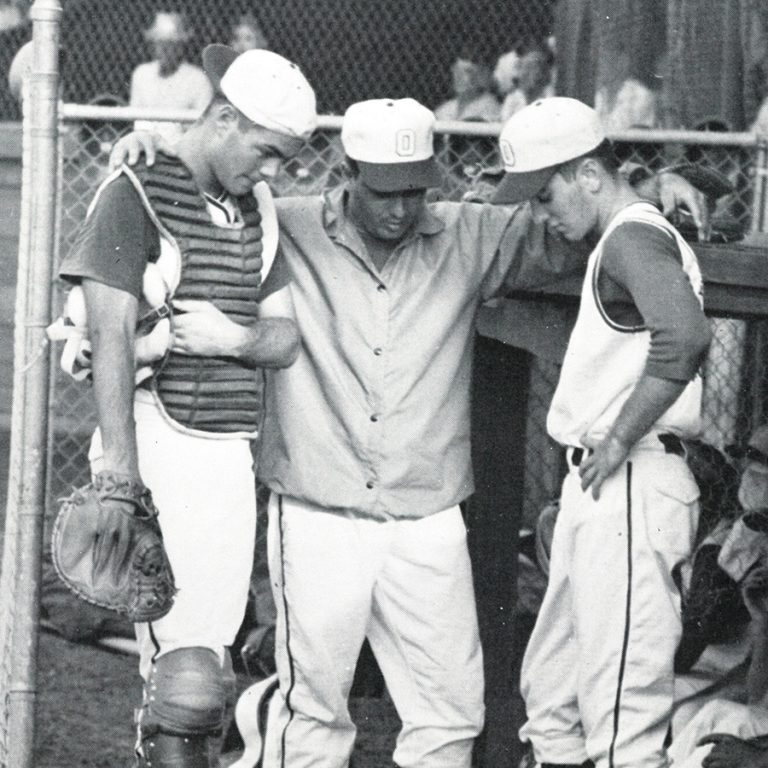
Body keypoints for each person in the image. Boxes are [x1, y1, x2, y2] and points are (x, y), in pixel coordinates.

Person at [110, 95, 707, 768]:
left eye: (416, 191)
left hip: (428, 515)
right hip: (317, 505)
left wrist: (653, 187)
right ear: (348, 172)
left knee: (453, 712)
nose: (401, 209)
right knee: (312, 713)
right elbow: (205, 190)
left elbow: (582, 217)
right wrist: (150, 147)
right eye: (385, 192)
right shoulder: (293, 225)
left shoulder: (467, 232)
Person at [56, 43, 316, 768]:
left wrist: (233, 337)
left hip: (227, 448)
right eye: (266, 152)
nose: (271, 173)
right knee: (187, 682)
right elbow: (108, 336)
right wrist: (119, 479)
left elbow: (285, 338)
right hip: (154, 436)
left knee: (210, 670)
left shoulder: (252, 208)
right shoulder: (136, 187)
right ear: (226, 118)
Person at [493, 97, 712, 768]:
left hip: (634, 477)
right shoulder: (619, 238)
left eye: (547, 192)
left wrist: (617, 436)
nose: (540, 210)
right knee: (553, 694)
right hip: (606, 484)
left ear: (589, 173)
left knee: (621, 714)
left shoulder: (630, 235)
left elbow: (686, 336)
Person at [129, 11, 213, 144]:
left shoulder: (197, 79)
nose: (164, 49)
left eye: (171, 44)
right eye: (160, 43)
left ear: (181, 47)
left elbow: (203, 130)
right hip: (145, 148)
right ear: (153, 45)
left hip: (179, 153)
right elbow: (136, 123)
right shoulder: (141, 74)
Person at [435, 50, 500, 122]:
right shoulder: (445, 108)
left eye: (467, 72)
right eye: (457, 71)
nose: (459, 77)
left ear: (481, 76)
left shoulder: (489, 105)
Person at [500, 48, 554, 122]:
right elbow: (505, 121)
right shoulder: (513, 98)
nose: (527, 74)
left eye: (535, 69)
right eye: (527, 68)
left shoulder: (549, 97)